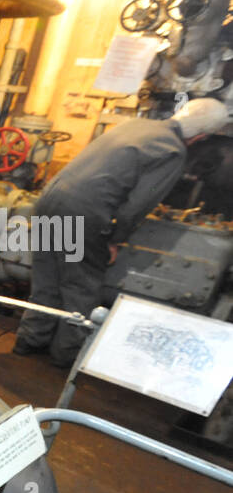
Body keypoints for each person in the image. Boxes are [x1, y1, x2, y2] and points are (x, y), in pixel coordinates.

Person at [13, 97, 230, 367]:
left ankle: (28, 341)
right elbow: (136, 206)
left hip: (50, 200)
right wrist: (116, 239)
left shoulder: (136, 125)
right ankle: (65, 356)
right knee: (80, 287)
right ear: (201, 137)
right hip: (84, 213)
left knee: (46, 279)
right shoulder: (172, 150)